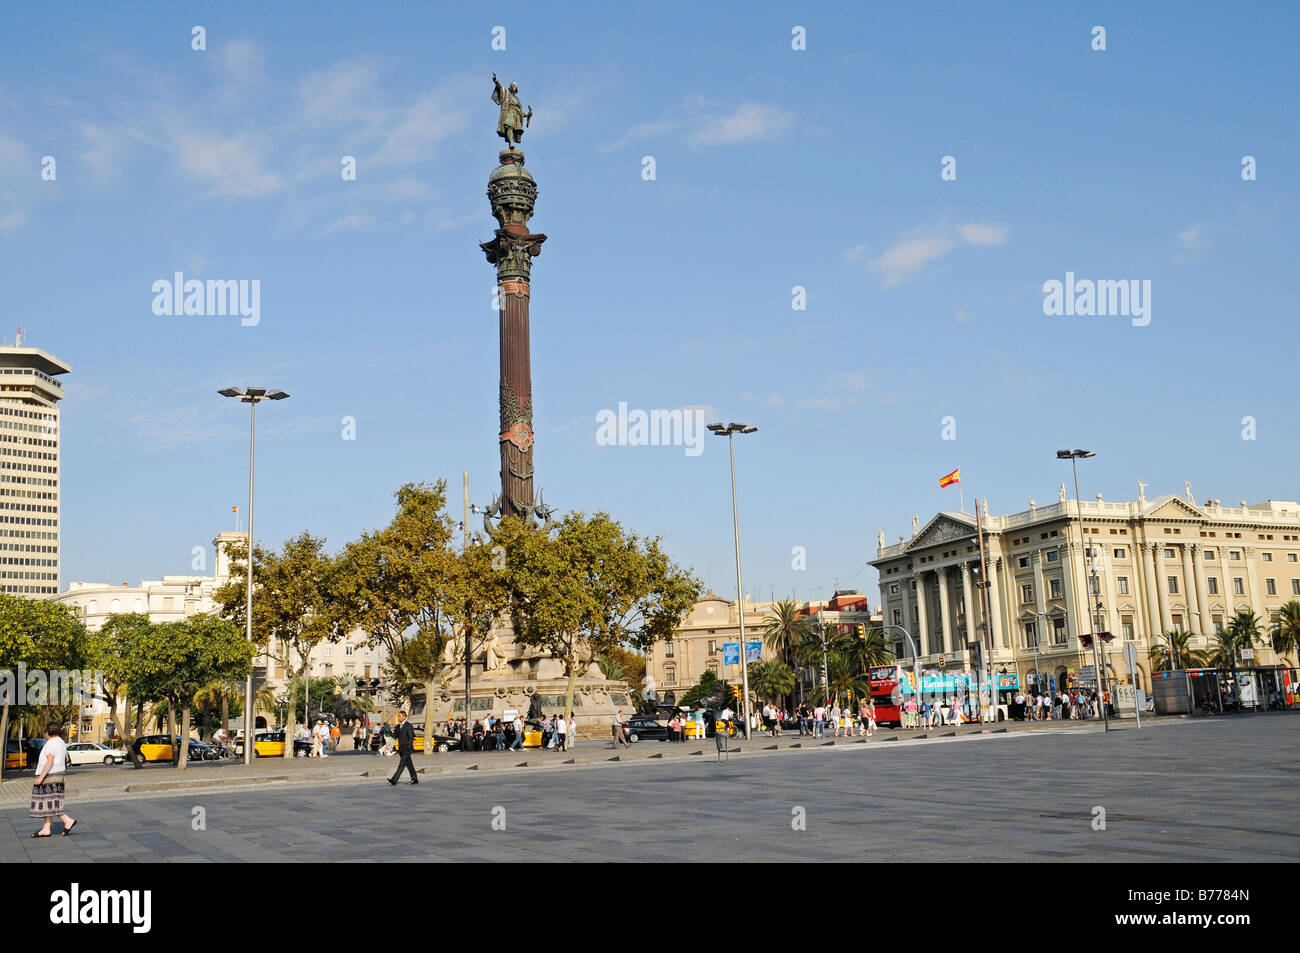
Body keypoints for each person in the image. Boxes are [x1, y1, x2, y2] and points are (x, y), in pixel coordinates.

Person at [30, 723, 76, 838]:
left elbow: (49, 761)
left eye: (45, 730)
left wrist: (40, 777)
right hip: (58, 775)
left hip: (50, 776)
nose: (44, 733)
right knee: (50, 802)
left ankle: (67, 820)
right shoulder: (61, 742)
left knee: (50, 803)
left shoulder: (51, 743)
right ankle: (46, 828)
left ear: (48, 731)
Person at [387, 712, 418, 785]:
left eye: (400, 716)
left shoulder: (409, 726)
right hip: (401, 749)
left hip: (407, 749)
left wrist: (408, 747)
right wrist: (389, 746)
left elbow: (411, 737)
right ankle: (414, 778)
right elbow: (394, 737)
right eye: (398, 716)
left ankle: (394, 780)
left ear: (405, 717)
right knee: (409, 764)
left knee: (402, 764)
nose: (398, 718)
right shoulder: (397, 726)